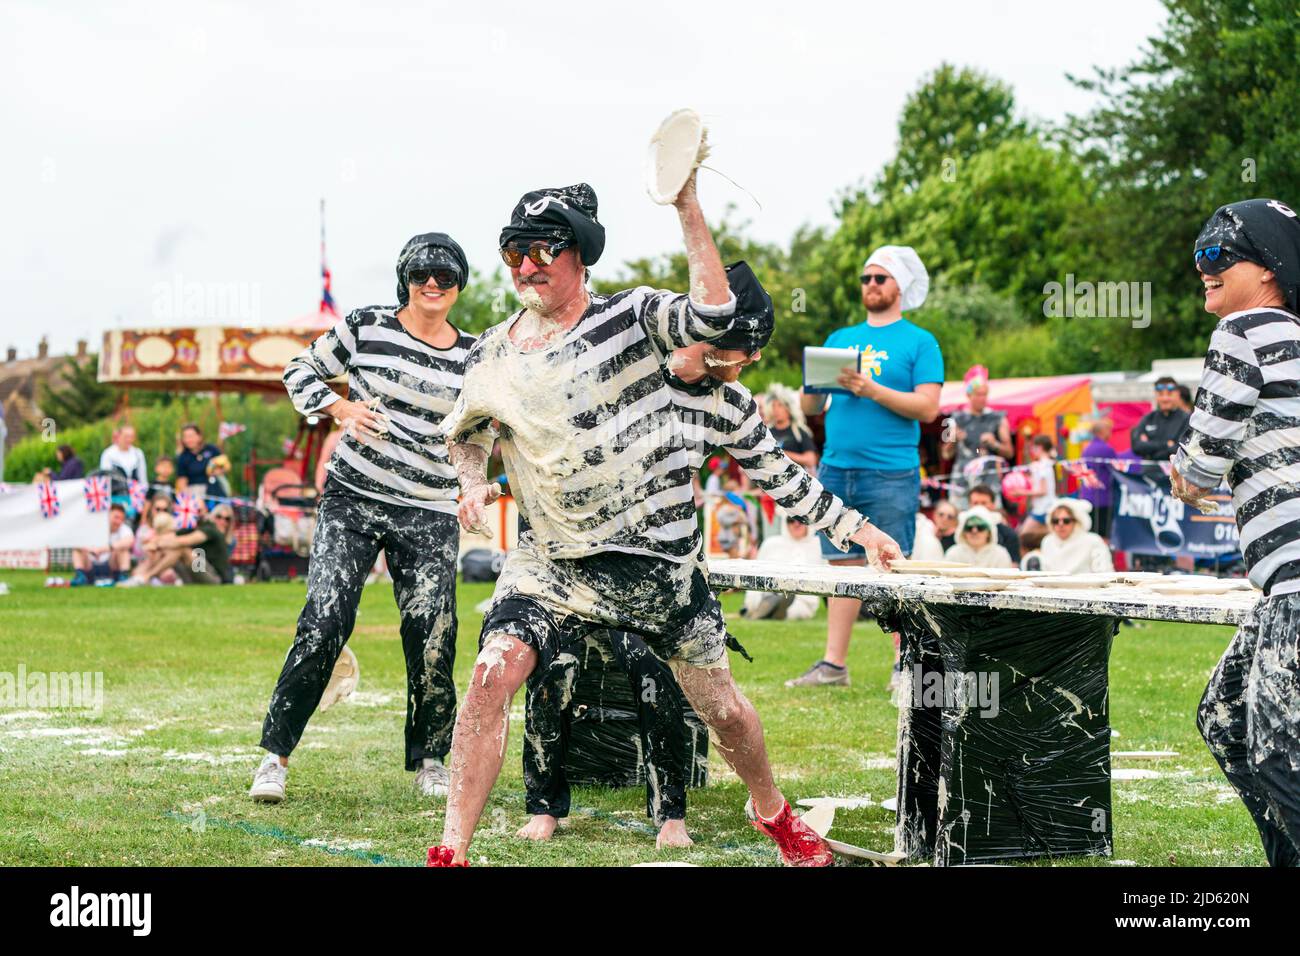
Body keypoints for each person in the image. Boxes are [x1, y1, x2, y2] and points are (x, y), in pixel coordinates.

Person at [429, 180, 901, 868]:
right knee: (489, 678)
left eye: (542, 250)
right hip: (551, 563)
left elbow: (781, 474)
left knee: (726, 712)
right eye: (513, 251)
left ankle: (772, 811)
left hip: (663, 574)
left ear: (580, 257)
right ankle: (452, 849)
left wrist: (860, 531)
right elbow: (466, 433)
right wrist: (473, 485)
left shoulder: (653, 331)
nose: (526, 264)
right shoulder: (496, 352)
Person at [249, 233, 474, 805]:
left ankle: (430, 759)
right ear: (405, 277)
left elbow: (484, 431)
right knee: (324, 622)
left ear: (457, 286)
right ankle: (274, 758)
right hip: (352, 499)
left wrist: (473, 488)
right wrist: (338, 406)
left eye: (445, 276)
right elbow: (299, 369)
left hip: (428, 510)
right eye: (422, 273)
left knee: (432, 631)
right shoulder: (367, 324)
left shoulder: (475, 355)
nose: (432, 284)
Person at [1171, 197, 1300, 867]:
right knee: (1223, 718)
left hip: (1296, 582)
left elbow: (1198, 467)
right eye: (1199, 255)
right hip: (1282, 581)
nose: (1203, 267)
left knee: (1276, 754)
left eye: (1219, 254)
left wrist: (1186, 470)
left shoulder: (1244, 332)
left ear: (1271, 269)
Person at [793, 244, 943, 691]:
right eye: (865, 279)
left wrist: (870, 389)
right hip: (838, 466)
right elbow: (810, 406)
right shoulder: (839, 338)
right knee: (841, 565)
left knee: (893, 564)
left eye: (880, 278)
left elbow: (929, 409)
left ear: (900, 286)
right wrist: (812, 388)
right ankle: (833, 665)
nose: (871, 285)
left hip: (891, 470)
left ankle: (905, 666)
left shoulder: (920, 341)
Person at [941, 365, 1012, 508]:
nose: (982, 398)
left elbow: (1010, 452)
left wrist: (995, 444)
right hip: (962, 482)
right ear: (969, 395)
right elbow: (946, 454)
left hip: (989, 482)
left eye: (985, 394)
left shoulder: (997, 418)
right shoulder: (957, 419)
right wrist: (953, 440)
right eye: (978, 394)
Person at [121, 499, 233, 586]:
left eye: (227, 519)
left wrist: (157, 543)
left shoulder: (210, 529)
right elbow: (171, 537)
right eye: (219, 517)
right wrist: (155, 542)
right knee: (171, 549)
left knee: (182, 549)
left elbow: (185, 540)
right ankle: (137, 577)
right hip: (198, 575)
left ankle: (145, 577)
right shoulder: (194, 527)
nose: (222, 521)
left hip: (216, 580)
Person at [743, 521, 825, 620]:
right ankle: (772, 608)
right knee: (757, 599)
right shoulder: (771, 543)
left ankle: (766, 612)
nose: (796, 524)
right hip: (769, 591)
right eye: (790, 520)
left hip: (801, 597)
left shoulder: (819, 545)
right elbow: (755, 574)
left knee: (797, 610)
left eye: (801, 520)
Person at [1038, 499, 1113, 575]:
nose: (1060, 524)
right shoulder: (1047, 541)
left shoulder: (1092, 540)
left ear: (1076, 521)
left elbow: (1104, 572)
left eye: (1066, 521)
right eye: (1055, 521)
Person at [1131, 376, 1190, 465]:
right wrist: (1166, 445)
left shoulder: (1187, 419)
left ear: (1177, 395)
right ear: (1156, 395)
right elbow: (1137, 446)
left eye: (1169, 394)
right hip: (1149, 475)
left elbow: (1181, 450)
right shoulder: (1148, 418)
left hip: (1175, 474)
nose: (1165, 398)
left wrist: (1150, 450)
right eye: (1161, 394)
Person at [72, 503, 134, 585]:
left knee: (123, 550)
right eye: (116, 517)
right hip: (90, 565)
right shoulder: (91, 525)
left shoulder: (124, 529)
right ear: (108, 515)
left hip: (111, 566)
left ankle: (123, 577)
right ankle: (80, 576)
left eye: (122, 519)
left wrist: (104, 549)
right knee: (77, 550)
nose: (119, 521)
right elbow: (75, 541)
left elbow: (130, 541)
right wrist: (90, 550)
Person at [760, 384, 818, 470]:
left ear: (788, 408)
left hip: (794, 480)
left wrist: (782, 454)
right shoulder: (766, 431)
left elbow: (811, 460)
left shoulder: (799, 432)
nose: (776, 409)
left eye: (780, 405)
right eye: (773, 405)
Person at [1079, 418, 1118, 539]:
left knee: (1089, 534)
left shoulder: (1087, 449)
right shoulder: (1106, 449)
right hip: (1103, 499)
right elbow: (1117, 469)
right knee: (1104, 535)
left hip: (1087, 496)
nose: (1110, 434)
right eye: (1109, 430)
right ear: (1103, 431)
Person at [943, 506, 1014, 568]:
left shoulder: (1000, 554)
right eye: (969, 527)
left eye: (980, 527)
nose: (974, 531)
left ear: (989, 532)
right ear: (963, 532)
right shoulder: (953, 553)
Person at [966, 483, 1021, 563]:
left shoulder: (1008, 534)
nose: (980, 507)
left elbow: (1013, 565)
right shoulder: (960, 532)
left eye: (984, 503)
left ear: (993, 505)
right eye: (975, 503)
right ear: (969, 505)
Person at [1021, 435, 1058, 537]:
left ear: (1040, 447)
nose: (1032, 450)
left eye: (1033, 447)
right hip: (1044, 507)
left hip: (1043, 508)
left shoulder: (1043, 466)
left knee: (1024, 535)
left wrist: (1020, 492)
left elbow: (1042, 490)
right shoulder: (1043, 464)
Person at [175, 424, 221, 497]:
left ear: (199, 436)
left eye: (191, 436)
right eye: (185, 437)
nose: (188, 440)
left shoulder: (211, 449)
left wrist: (219, 470)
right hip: (194, 490)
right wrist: (190, 498)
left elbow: (224, 465)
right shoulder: (183, 457)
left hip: (215, 487)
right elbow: (181, 481)